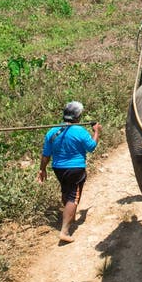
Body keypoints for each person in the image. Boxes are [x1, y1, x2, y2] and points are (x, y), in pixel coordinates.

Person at [37, 101, 100, 244]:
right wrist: (96, 131)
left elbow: (46, 154)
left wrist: (42, 169)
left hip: (58, 169)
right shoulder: (80, 131)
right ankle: (65, 231)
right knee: (73, 197)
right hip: (75, 169)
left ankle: (68, 215)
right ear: (78, 117)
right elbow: (91, 147)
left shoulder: (52, 131)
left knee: (66, 191)